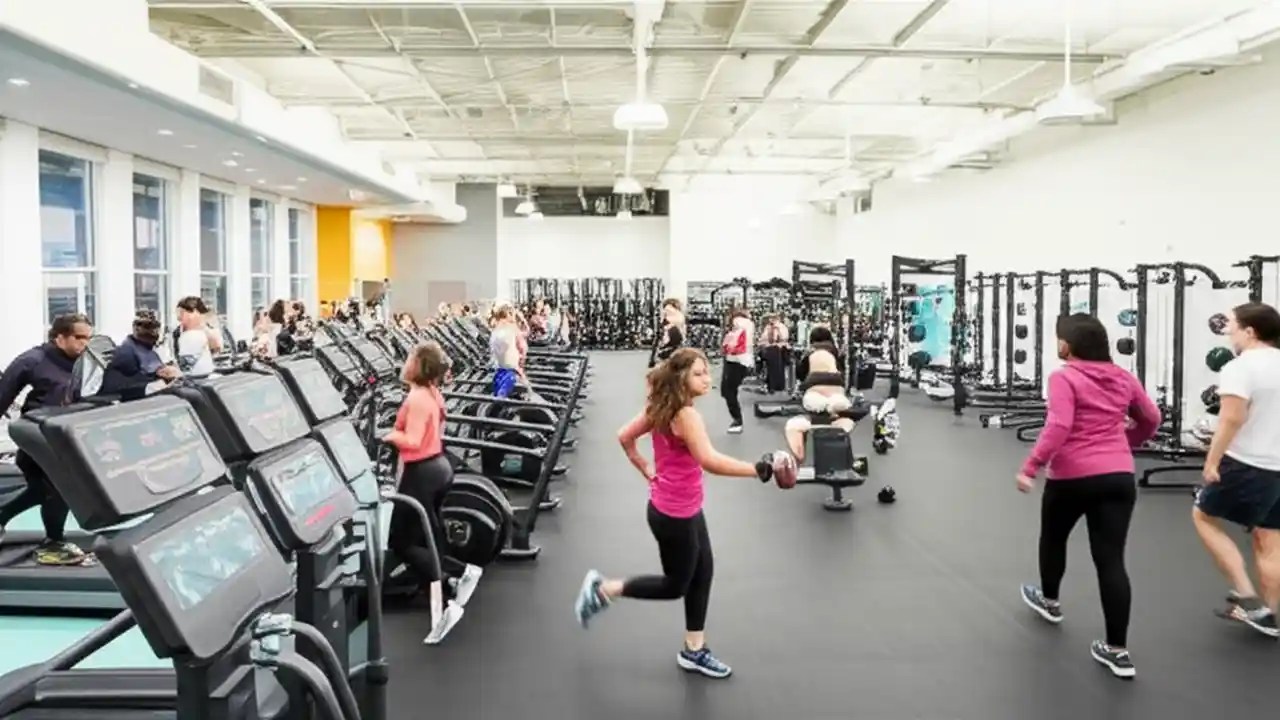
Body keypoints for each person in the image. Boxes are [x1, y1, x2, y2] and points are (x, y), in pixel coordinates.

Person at [573, 348, 797, 678]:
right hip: (674, 514)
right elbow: (708, 459)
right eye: (699, 373)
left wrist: (644, 467)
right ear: (681, 378)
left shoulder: (660, 406)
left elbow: (625, 437)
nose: (708, 378)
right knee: (677, 584)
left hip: (679, 507)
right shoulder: (686, 415)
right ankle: (603, 589)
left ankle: (694, 650)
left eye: (708, 371)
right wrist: (757, 469)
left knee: (703, 572)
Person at [1016, 314, 1161, 679]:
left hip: (1072, 477)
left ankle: (1050, 601)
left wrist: (1031, 466)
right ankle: (1118, 651)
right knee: (1111, 560)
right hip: (1118, 476)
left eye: (1058, 339)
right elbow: (1151, 418)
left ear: (1067, 346)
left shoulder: (1064, 376)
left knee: (1053, 538)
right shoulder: (1124, 377)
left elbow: (1060, 425)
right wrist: (1123, 443)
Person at [380, 341, 484, 644]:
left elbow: (411, 440)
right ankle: (452, 587)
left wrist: (388, 435)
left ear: (419, 364)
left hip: (422, 472)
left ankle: (455, 580)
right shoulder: (431, 394)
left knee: (399, 541)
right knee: (429, 536)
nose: (405, 361)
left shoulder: (416, 398)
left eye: (410, 357)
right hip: (439, 467)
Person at [1194, 302, 1280, 638]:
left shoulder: (1240, 367)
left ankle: (1246, 596)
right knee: (1270, 538)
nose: (1227, 329)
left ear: (1250, 331)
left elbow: (1231, 418)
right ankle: (1270, 614)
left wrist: (1212, 460)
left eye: (1231, 324)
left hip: (1247, 463)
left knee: (1203, 517)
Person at [0, 314, 96, 566]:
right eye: (79, 338)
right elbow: (3, 394)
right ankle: (54, 540)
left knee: (43, 491)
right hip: (35, 438)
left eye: (89, 337)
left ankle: (3, 516)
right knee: (58, 489)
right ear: (59, 337)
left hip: (66, 438)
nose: (85, 343)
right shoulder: (32, 361)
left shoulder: (86, 361)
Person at [784, 334, 856, 463]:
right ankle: (838, 429)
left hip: (814, 387)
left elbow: (801, 373)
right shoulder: (836, 351)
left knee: (800, 422)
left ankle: (799, 457)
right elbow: (844, 373)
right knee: (841, 417)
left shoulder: (810, 351)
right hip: (837, 389)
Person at [100, 310, 180, 400]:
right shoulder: (126, 352)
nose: (152, 331)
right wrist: (160, 377)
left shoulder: (148, 348)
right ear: (135, 328)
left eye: (155, 327)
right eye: (147, 327)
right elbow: (129, 383)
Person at [720, 309, 755, 434]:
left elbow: (735, 346)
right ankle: (737, 419)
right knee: (727, 391)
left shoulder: (739, 325)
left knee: (728, 391)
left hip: (736, 360)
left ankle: (737, 420)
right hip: (737, 360)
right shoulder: (744, 327)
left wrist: (727, 346)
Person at [174, 296, 223, 376]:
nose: (179, 318)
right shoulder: (178, 333)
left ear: (195, 312)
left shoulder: (208, 329)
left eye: (182, 313)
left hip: (202, 374)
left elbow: (217, 347)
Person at [489, 305, 526, 398]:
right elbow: (523, 348)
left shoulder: (495, 330)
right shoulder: (512, 328)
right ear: (508, 314)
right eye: (512, 314)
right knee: (526, 390)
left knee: (498, 392)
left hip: (498, 368)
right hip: (511, 368)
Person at [649, 298, 686, 368]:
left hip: (670, 345)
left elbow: (658, 340)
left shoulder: (669, 316)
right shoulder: (680, 316)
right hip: (673, 346)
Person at [759, 314, 790, 393]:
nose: (771, 320)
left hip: (781, 348)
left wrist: (778, 330)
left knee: (779, 359)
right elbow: (763, 338)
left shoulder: (782, 327)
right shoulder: (768, 328)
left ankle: (779, 385)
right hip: (770, 348)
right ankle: (771, 385)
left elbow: (784, 338)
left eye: (773, 318)